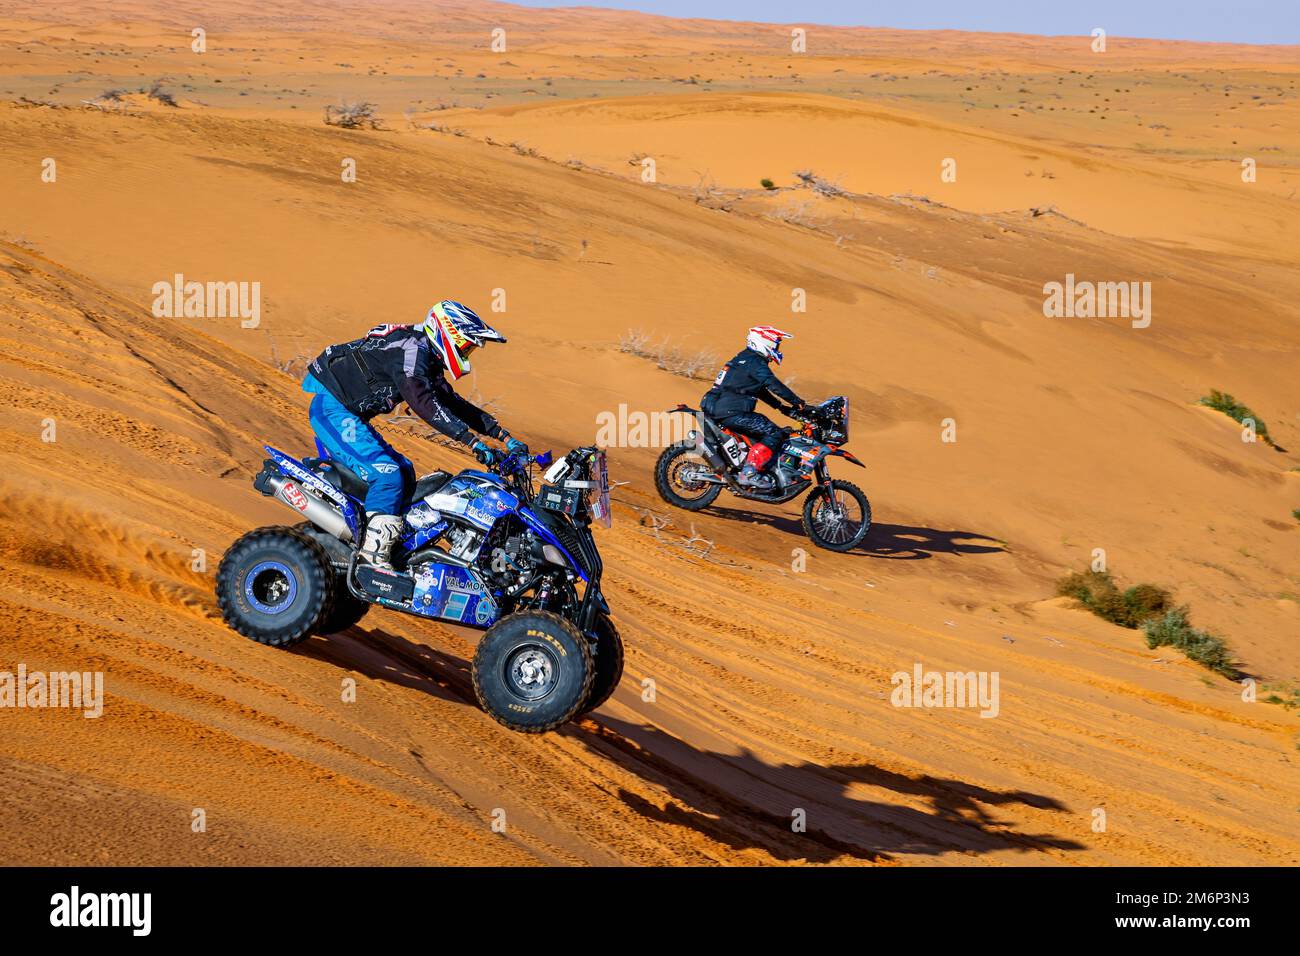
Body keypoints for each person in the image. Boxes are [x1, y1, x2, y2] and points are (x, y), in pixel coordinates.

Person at [301, 300, 527, 567]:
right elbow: (423, 403)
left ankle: (394, 543)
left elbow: (452, 403)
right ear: (447, 333)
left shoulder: (423, 353)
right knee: (387, 475)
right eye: (466, 345)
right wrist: (472, 442)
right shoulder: (412, 351)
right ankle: (371, 555)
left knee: (405, 472)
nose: (468, 353)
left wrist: (502, 435)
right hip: (333, 407)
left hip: (347, 412)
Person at [701, 326, 808, 489]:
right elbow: (773, 384)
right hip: (732, 411)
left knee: (760, 430)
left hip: (718, 407)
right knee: (774, 432)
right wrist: (797, 401)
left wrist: (780, 407)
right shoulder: (755, 362)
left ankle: (747, 465)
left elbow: (759, 390)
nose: (777, 349)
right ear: (765, 342)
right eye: (776, 345)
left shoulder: (744, 359)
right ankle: (749, 473)